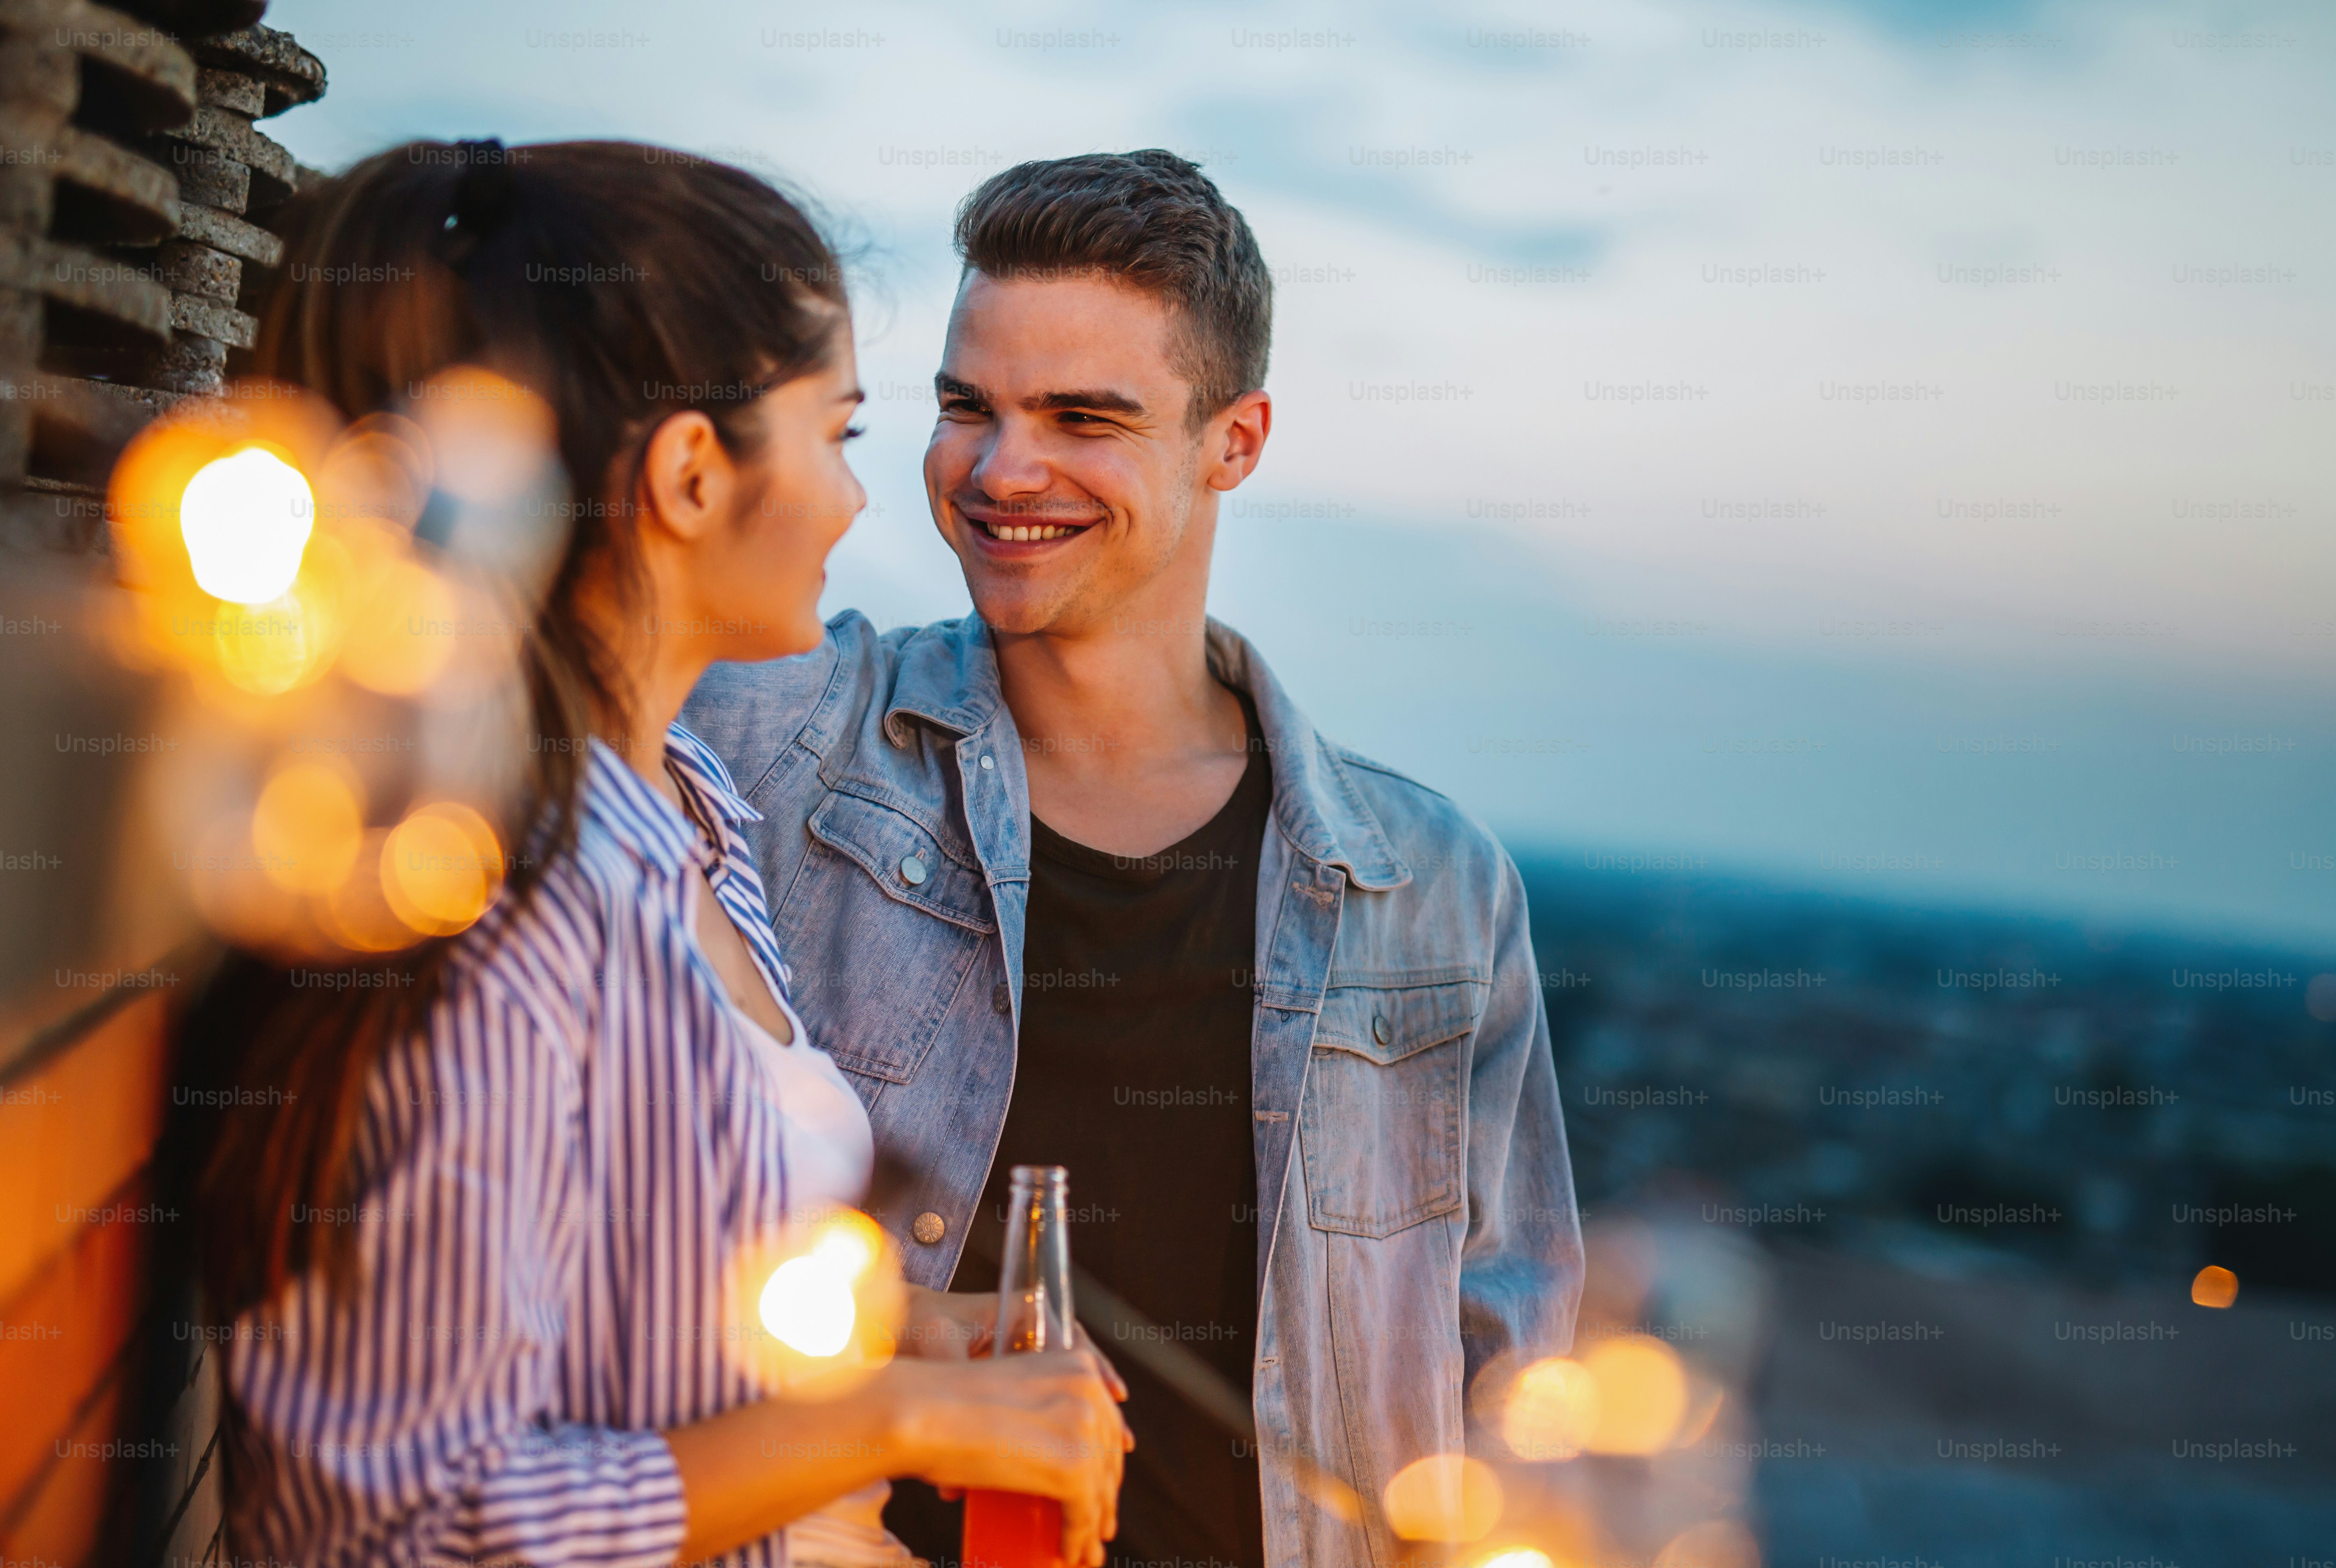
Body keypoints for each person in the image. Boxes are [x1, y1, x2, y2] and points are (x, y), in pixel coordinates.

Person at [167, 140, 1127, 1568]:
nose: (862, 503)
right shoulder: (499, 889)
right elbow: (395, 1523)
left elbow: (621, 1293)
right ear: (689, 474)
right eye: (839, 435)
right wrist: (906, 1424)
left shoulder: (685, 809)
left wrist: (902, 1333)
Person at [682, 150, 1583, 1567]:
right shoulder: (771, 737)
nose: (1000, 470)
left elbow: (1514, 1375)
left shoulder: (1433, 889)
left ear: (1236, 441)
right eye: (965, 407)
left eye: (1081, 417)